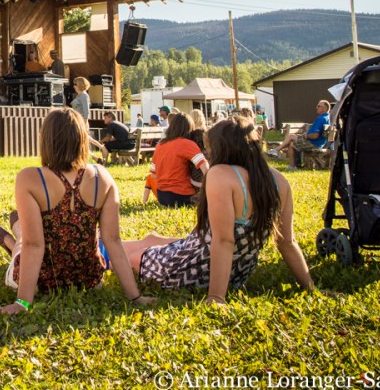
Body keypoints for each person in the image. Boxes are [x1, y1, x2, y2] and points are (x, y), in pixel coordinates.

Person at [122, 115, 319, 304]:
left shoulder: (221, 175)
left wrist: (216, 297)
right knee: (152, 239)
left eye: (209, 148)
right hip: (237, 272)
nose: (208, 153)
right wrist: (310, 288)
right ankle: (108, 244)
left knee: (130, 259)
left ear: (221, 148)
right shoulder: (278, 180)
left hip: (198, 270)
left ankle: (106, 251)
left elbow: (224, 240)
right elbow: (287, 242)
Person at [0, 108, 152, 314]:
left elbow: (34, 245)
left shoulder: (29, 178)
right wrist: (135, 296)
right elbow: (113, 241)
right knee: (24, 235)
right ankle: (14, 235)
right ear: (83, 139)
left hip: (43, 282)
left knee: (23, 243)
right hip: (89, 280)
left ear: (44, 139)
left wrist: (22, 303)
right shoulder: (103, 177)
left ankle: (11, 241)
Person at [151, 112, 209, 207]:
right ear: (189, 128)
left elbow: (154, 175)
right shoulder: (187, 144)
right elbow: (205, 168)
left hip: (161, 195)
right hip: (182, 195)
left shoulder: (160, 145)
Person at [272, 100, 331, 165]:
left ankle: (291, 164)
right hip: (319, 143)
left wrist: (306, 136)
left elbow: (315, 135)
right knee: (291, 138)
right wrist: (306, 134)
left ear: (324, 108)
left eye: (318, 106)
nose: (316, 107)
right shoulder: (327, 117)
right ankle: (277, 151)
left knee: (291, 144)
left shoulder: (321, 119)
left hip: (313, 143)